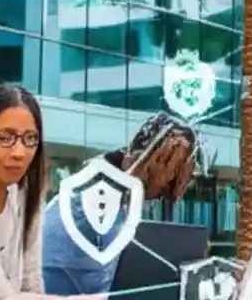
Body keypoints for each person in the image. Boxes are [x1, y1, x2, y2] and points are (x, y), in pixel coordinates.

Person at [0, 84, 98, 299]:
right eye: (5, 138)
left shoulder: (25, 194)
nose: (19, 153)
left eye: (30, 139)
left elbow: (32, 284)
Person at [41, 112, 200, 294]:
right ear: (142, 157)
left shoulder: (106, 189)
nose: (164, 188)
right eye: (167, 170)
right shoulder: (96, 198)